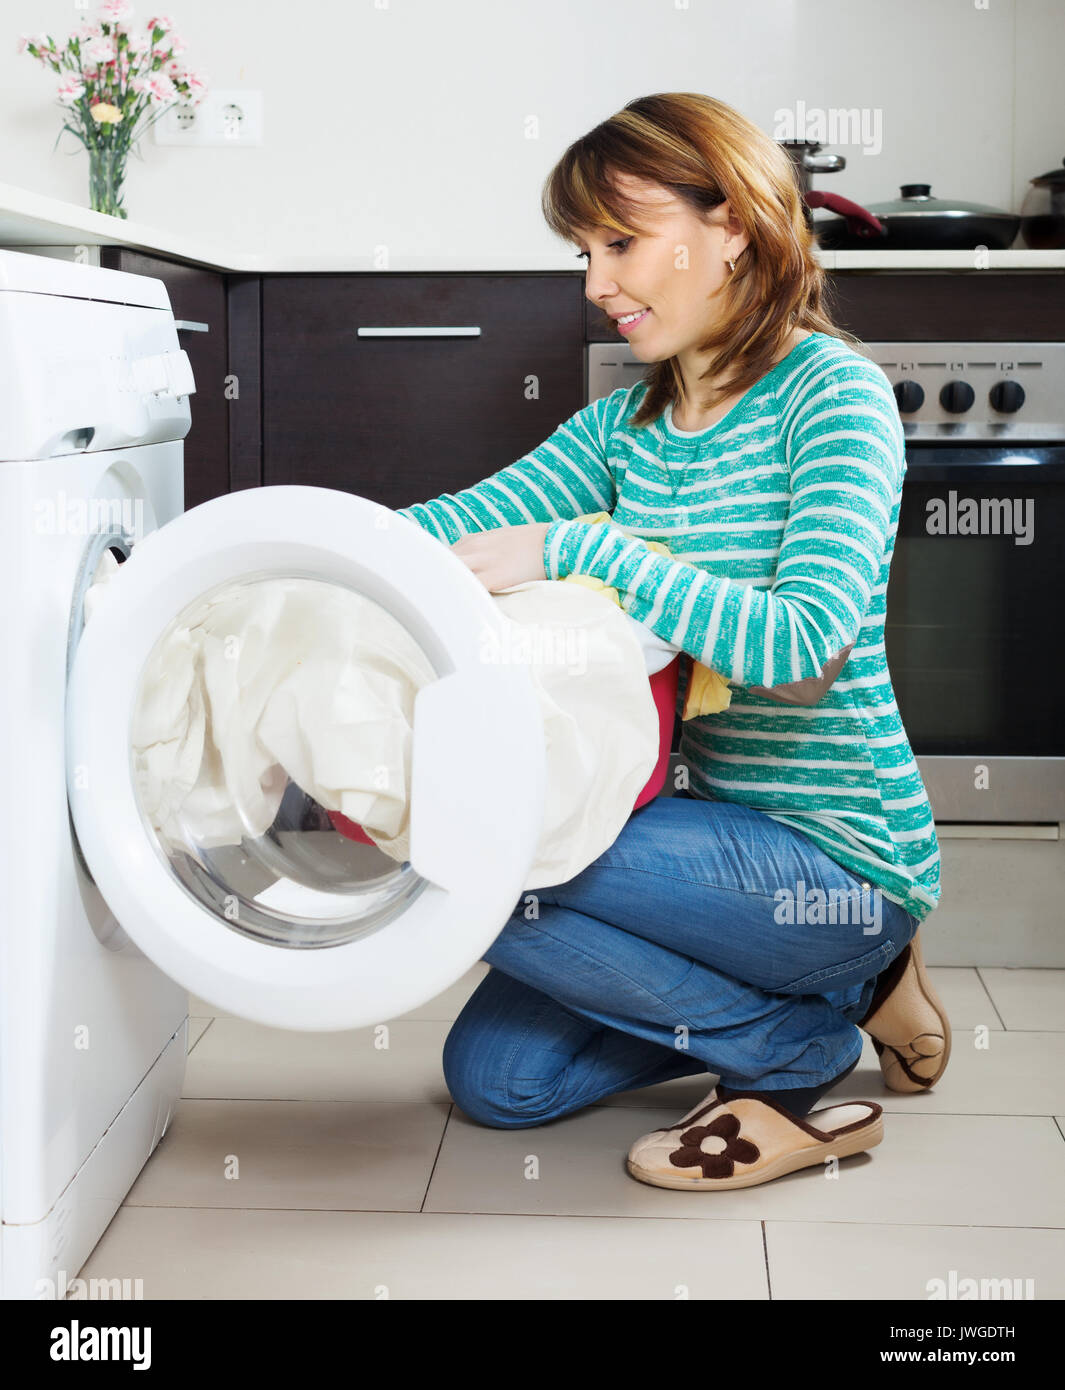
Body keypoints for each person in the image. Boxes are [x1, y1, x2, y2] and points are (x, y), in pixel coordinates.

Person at [394, 92, 950, 1191]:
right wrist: (251, 553)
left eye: (620, 240)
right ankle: (836, 996)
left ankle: (795, 1044)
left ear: (733, 223)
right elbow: (448, 526)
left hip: (835, 857)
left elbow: (801, 648)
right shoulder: (627, 426)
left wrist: (584, 547)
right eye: (583, 250)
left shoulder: (832, 396)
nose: (596, 282)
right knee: (498, 1083)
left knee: (474, 839)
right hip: (691, 837)